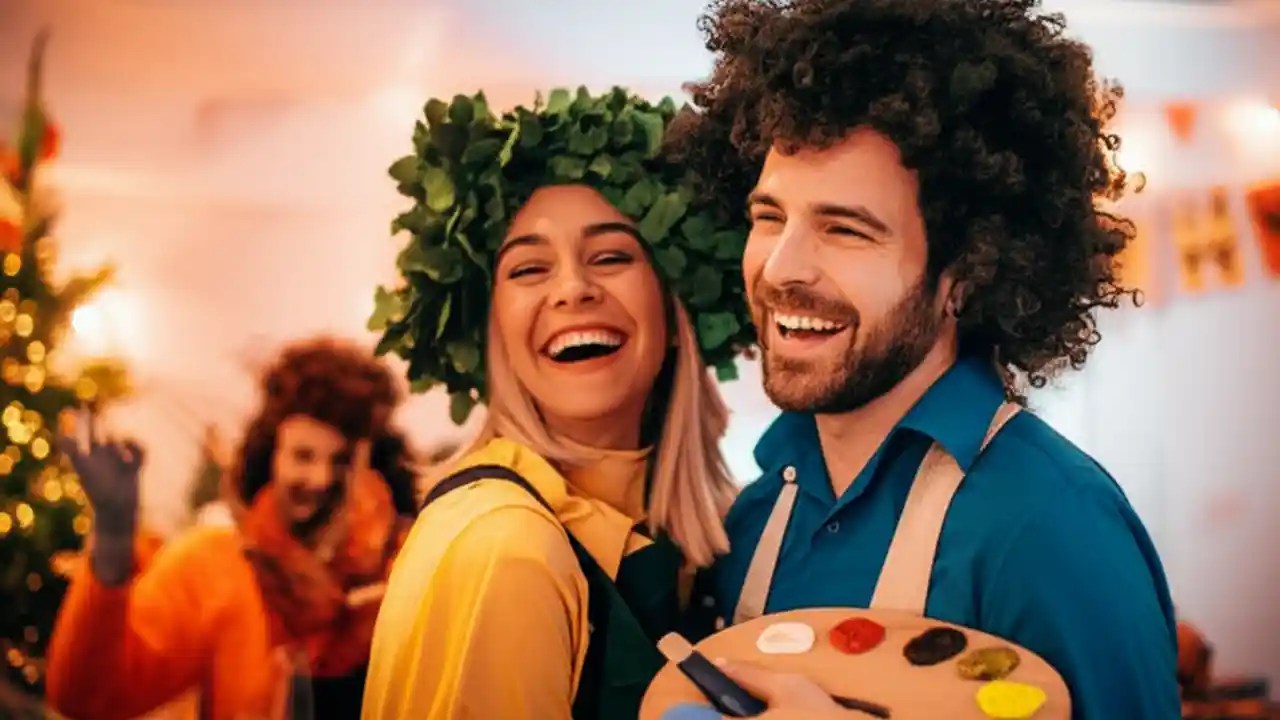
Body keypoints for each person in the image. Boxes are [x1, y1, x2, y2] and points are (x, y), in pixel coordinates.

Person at [659, 0, 1180, 717]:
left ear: (966, 272)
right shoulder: (751, 521)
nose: (781, 268)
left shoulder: (1051, 528)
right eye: (769, 217)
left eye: (845, 229)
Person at [360, 87, 753, 720]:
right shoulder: (505, 547)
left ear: (675, 314)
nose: (572, 288)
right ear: (495, 335)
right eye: (527, 270)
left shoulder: (673, 543)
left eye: (610, 256)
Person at [45, 337, 415, 720]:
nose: (320, 479)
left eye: (340, 461)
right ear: (270, 454)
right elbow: (88, 699)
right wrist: (113, 538)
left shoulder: (404, 571)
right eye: (303, 456)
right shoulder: (216, 564)